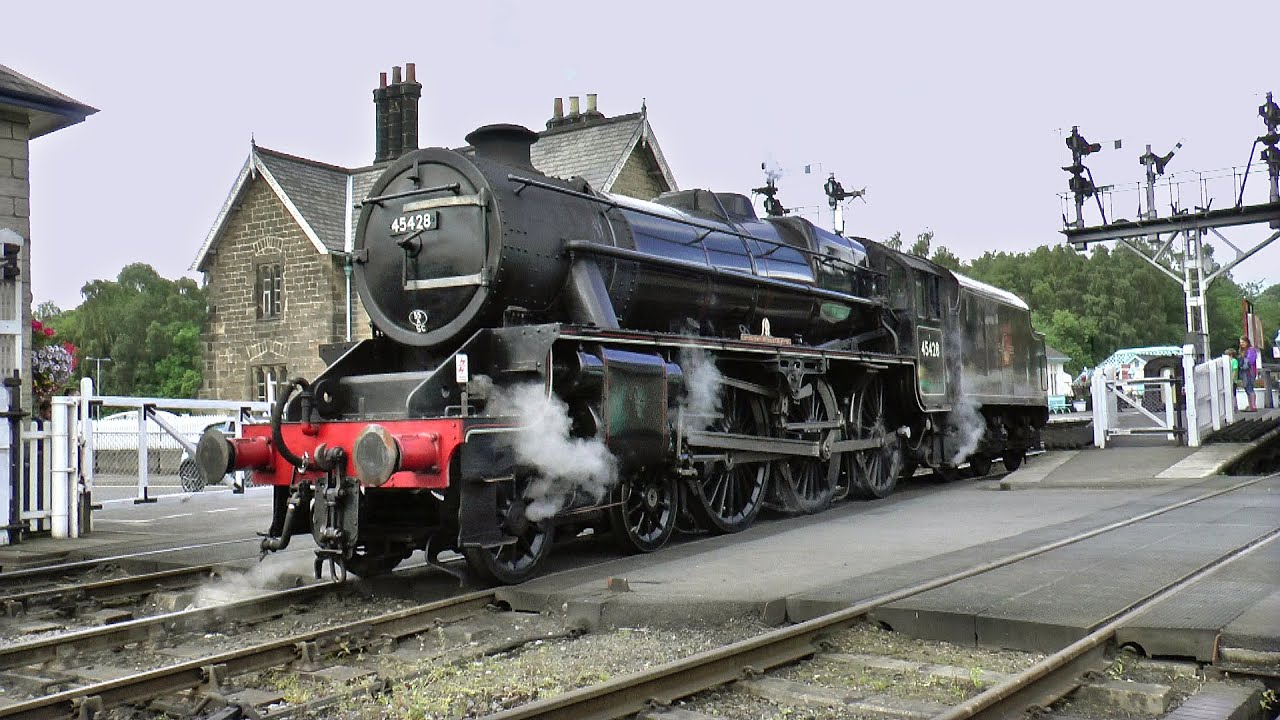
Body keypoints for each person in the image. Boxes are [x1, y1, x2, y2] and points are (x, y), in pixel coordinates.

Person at [1239, 336, 1258, 412]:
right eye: (1241, 342)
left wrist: (1244, 366)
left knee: (1250, 388)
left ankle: (1253, 406)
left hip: (1250, 372)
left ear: (1247, 342)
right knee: (1247, 388)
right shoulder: (1242, 351)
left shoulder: (1251, 350)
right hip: (1244, 372)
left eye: (1243, 342)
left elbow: (1250, 361)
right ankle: (1250, 405)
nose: (1242, 344)